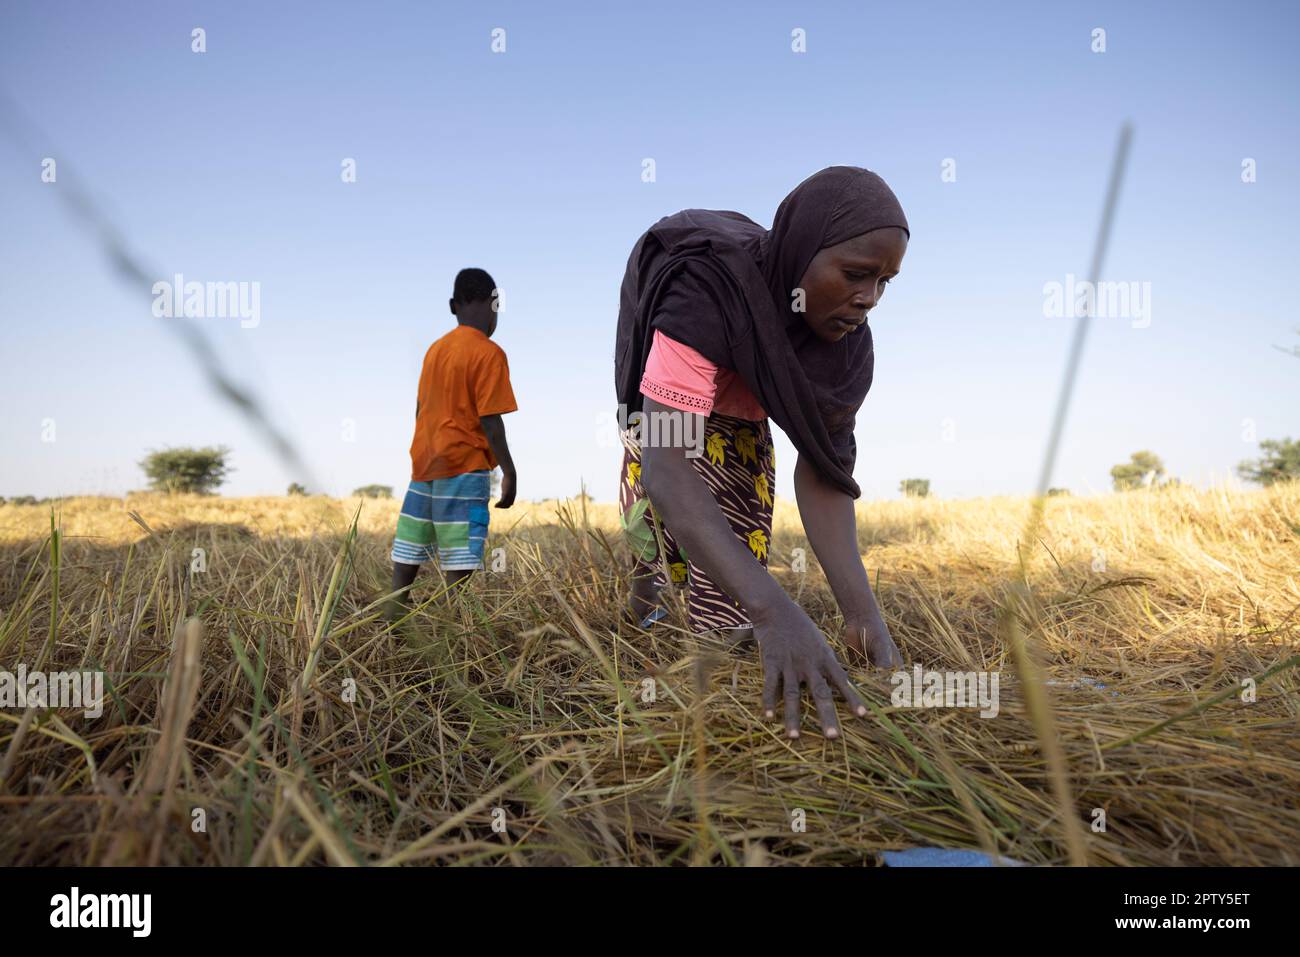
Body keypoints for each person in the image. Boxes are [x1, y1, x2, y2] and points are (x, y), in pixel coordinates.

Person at [614, 166, 908, 739]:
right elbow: (667, 464)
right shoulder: (705, 288)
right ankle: (641, 612)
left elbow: (826, 476)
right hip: (668, 416)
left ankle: (707, 649)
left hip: (741, 415)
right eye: (855, 274)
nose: (868, 299)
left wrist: (861, 615)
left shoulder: (846, 346)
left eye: (885, 282)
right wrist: (775, 610)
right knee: (653, 538)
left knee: (728, 614)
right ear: (800, 254)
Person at [389, 268, 518, 615]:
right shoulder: (489, 353)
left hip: (425, 465)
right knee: (460, 547)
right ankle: (455, 619)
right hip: (464, 466)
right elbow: (490, 419)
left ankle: (394, 609)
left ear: (452, 306)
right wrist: (509, 470)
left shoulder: (435, 350)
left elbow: (420, 408)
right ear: (495, 305)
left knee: (411, 541)